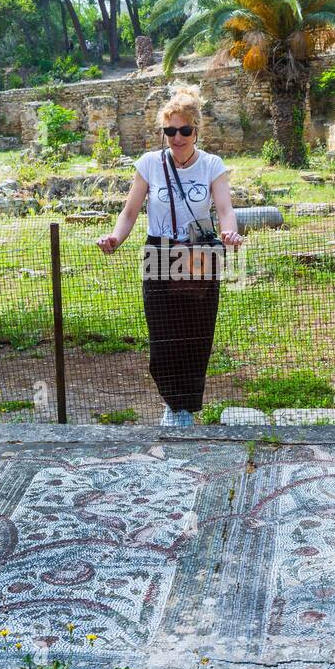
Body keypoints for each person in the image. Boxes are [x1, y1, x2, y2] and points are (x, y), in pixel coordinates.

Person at [96, 83, 243, 426]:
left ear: (196, 129)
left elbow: (224, 208)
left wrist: (230, 231)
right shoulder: (149, 164)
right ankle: (171, 402)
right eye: (170, 131)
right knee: (163, 335)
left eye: (185, 130)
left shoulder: (211, 165)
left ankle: (184, 410)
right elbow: (130, 211)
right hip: (159, 251)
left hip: (198, 254)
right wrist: (116, 238)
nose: (177, 138)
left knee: (196, 334)